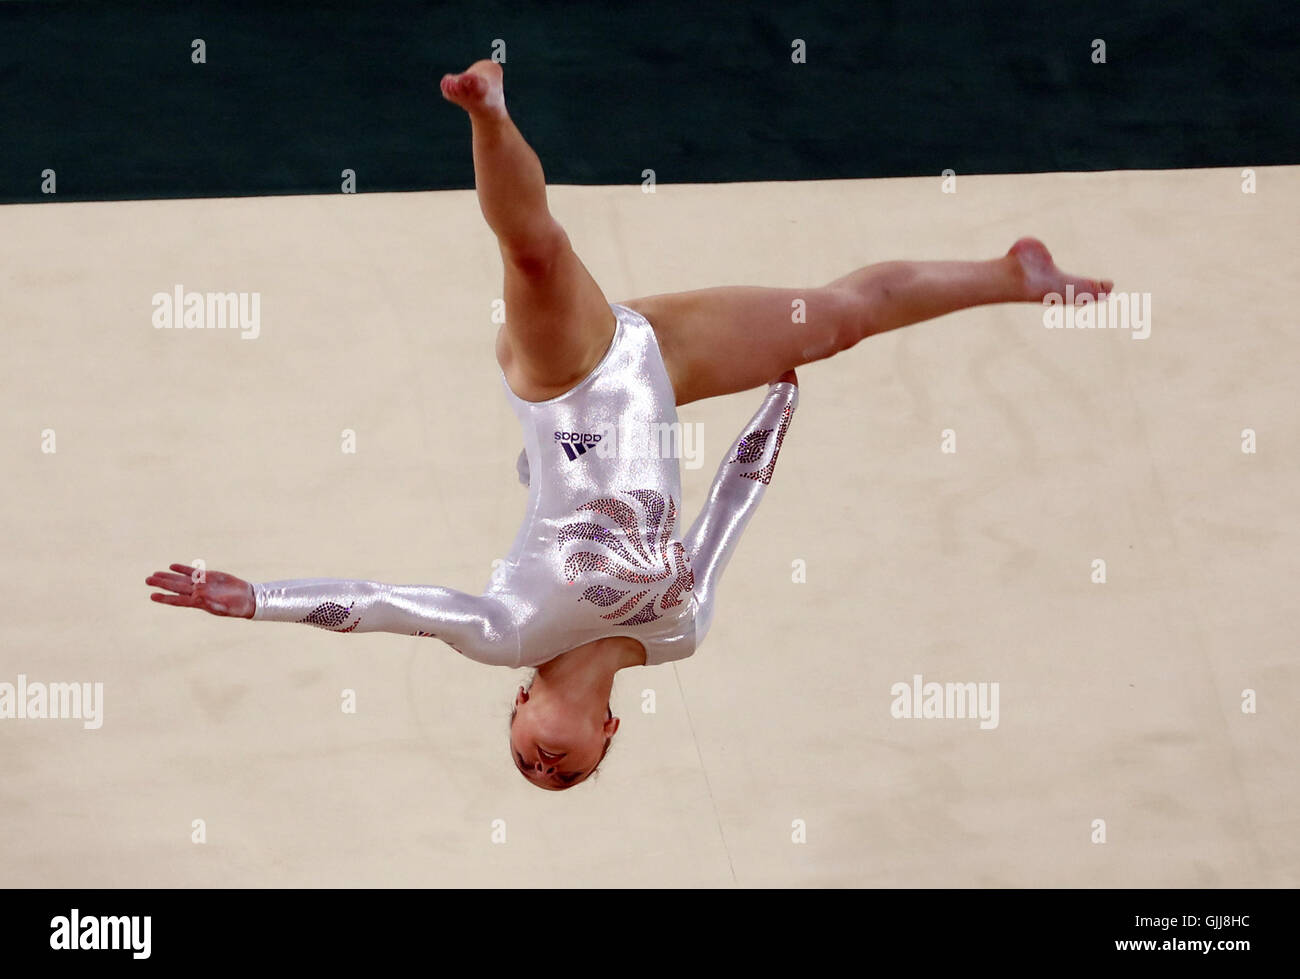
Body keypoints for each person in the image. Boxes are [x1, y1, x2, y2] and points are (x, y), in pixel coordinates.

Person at [146, 60, 1111, 791]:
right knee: (838, 323)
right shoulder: (679, 631)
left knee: (536, 256)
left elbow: (380, 603)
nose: (546, 769)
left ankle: (488, 109)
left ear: (520, 703)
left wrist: (255, 599)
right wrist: (776, 411)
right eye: (569, 774)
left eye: (526, 762)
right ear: (612, 735)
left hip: (565, 381)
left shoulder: (505, 632)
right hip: (656, 368)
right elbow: (733, 509)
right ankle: (1012, 276)